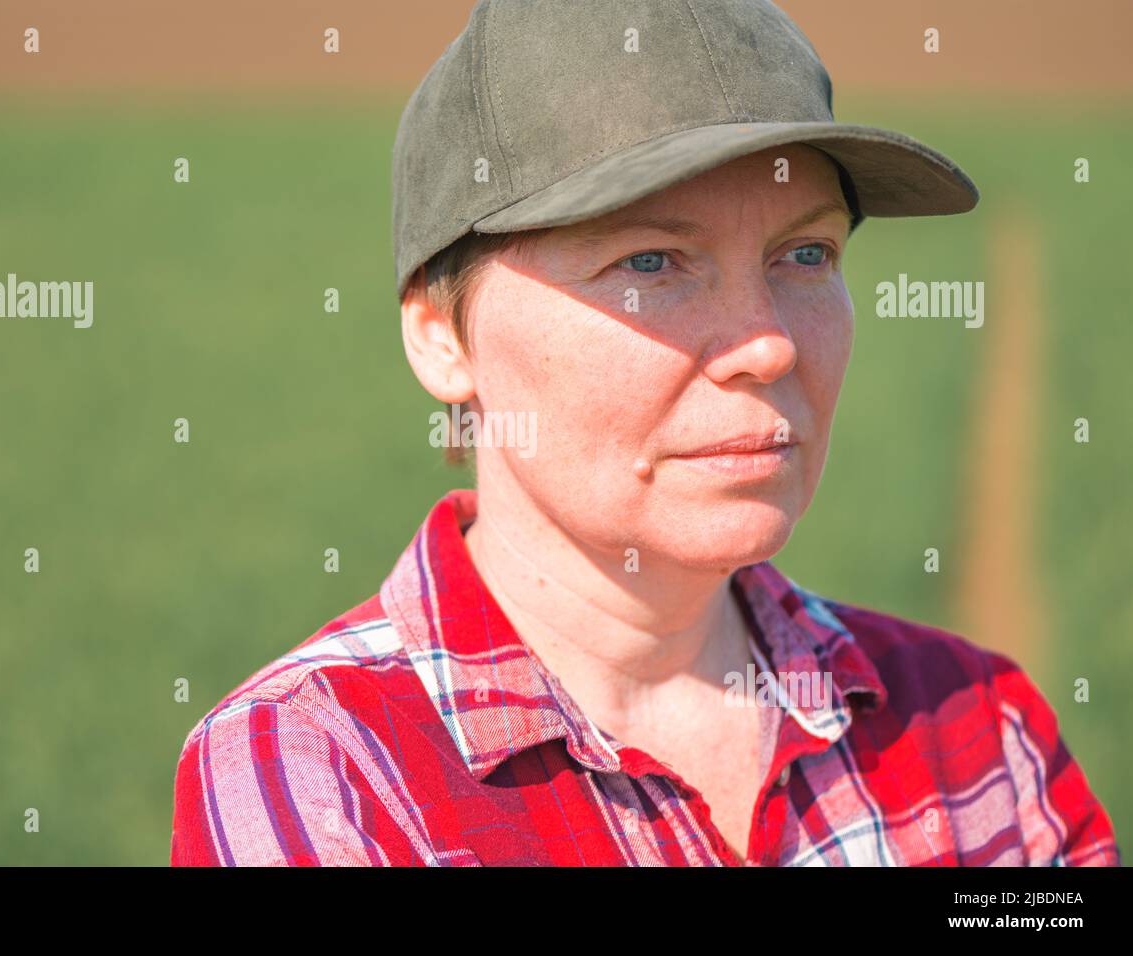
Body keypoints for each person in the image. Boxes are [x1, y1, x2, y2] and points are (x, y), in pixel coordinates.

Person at [171, 0, 1120, 866]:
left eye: (805, 253)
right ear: (439, 334)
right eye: (651, 261)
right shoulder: (325, 769)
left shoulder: (981, 736)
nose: (767, 342)